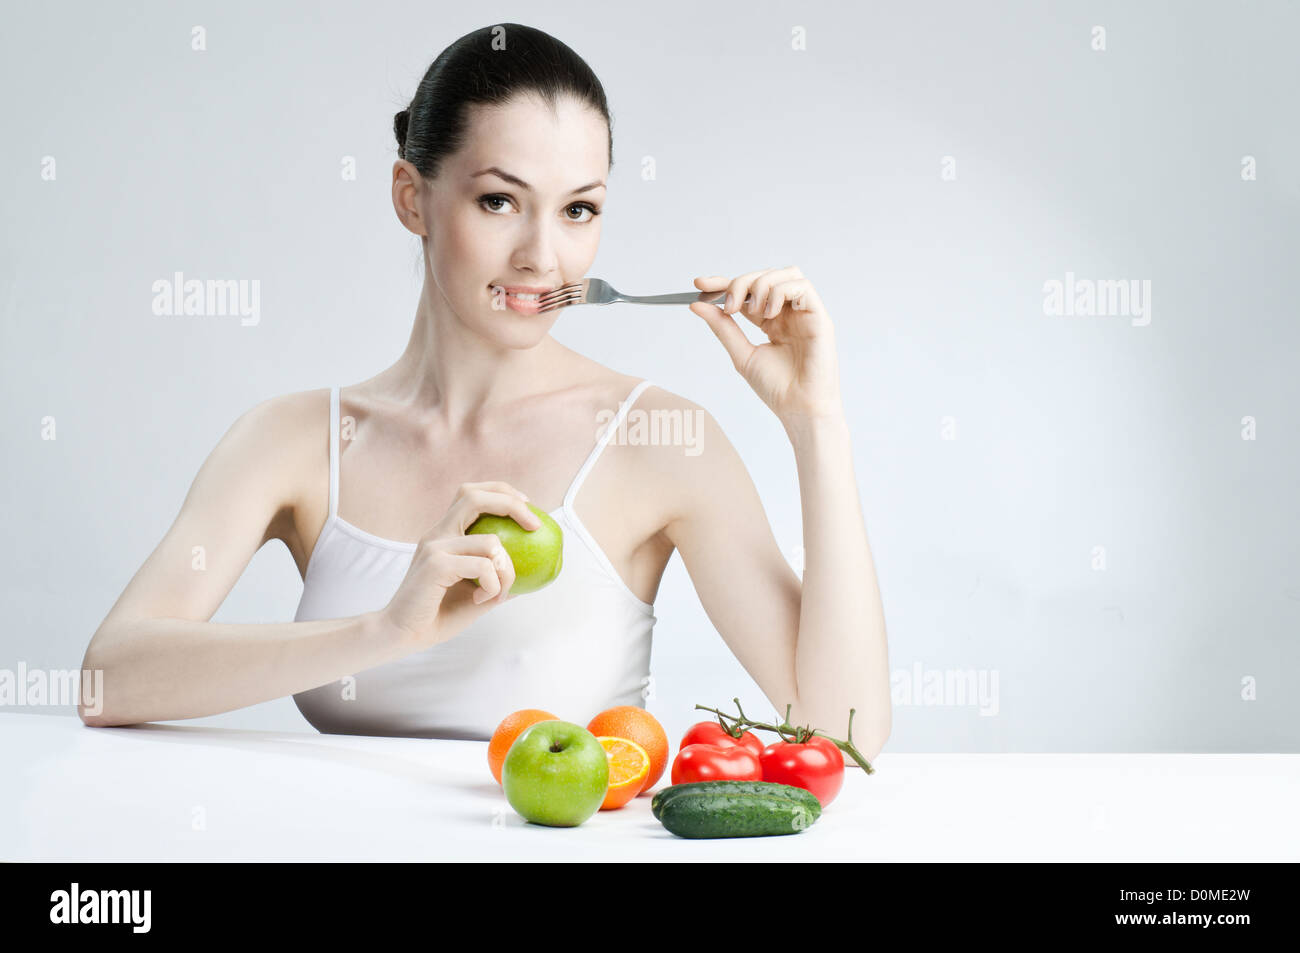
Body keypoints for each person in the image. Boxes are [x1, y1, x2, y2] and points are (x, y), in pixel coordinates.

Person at [78, 23, 890, 755]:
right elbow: (108, 679)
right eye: (499, 201)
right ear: (413, 198)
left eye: (579, 210)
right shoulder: (292, 439)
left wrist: (816, 423)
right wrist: (385, 630)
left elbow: (843, 729)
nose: (543, 256)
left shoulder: (659, 441)